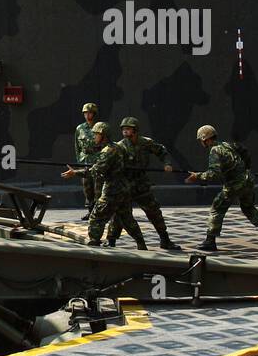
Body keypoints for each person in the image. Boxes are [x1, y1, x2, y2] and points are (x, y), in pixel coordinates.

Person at [185, 125, 258, 252]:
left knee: (217, 208)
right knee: (248, 207)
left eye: (201, 140)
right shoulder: (227, 145)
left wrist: (197, 176)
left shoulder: (215, 151)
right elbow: (244, 151)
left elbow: (213, 174)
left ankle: (210, 241)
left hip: (234, 184)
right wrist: (246, 168)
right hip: (248, 181)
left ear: (206, 139)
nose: (201, 142)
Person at [62, 121, 146, 248]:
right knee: (127, 219)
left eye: (96, 134)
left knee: (96, 217)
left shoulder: (107, 151)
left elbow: (96, 171)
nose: (94, 137)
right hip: (124, 189)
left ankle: (94, 245)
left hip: (112, 190)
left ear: (103, 135)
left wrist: (75, 173)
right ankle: (141, 244)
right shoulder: (118, 147)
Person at [106, 116, 181, 250]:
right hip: (125, 185)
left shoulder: (146, 143)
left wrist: (167, 163)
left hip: (141, 184)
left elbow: (161, 151)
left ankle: (165, 240)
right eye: (123, 129)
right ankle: (111, 240)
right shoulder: (119, 146)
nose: (125, 132)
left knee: (154, 211)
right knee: (120, 214)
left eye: (128, 129)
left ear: (135, 130)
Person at [74, 102, 103, 219]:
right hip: (85, 161)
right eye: (85, 113)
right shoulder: (80, 128)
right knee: (87, 188)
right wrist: (79, 161)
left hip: (97, 160)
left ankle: (99, 212)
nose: (87, 115)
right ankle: (90, 211)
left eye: (90, 113)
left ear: (94, 113)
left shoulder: (101, 127)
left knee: (98, 188)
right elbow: (77, 146)